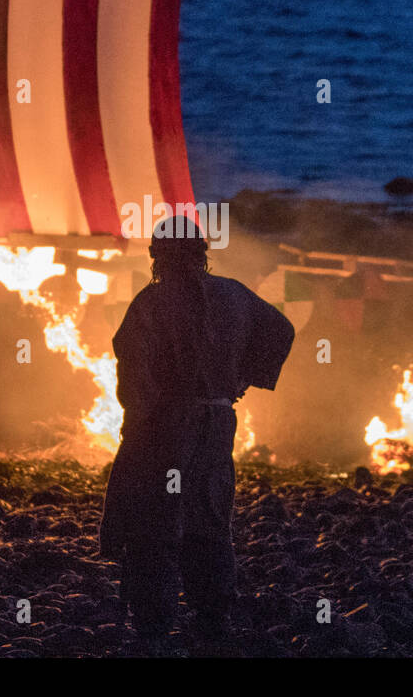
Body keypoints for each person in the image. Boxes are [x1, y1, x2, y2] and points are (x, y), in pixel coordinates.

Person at [99, 216, 294, 653]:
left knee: (154, 521)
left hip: (166, 429)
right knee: (208, 516)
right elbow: (280, 330)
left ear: (157, 255)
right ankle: (213, 618)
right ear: (202, 253)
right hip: (218, 427)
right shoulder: (233, 294)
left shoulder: (149, 305)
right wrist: (241, 381)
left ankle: (154, 627)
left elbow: (134, 381)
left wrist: (136, 431)